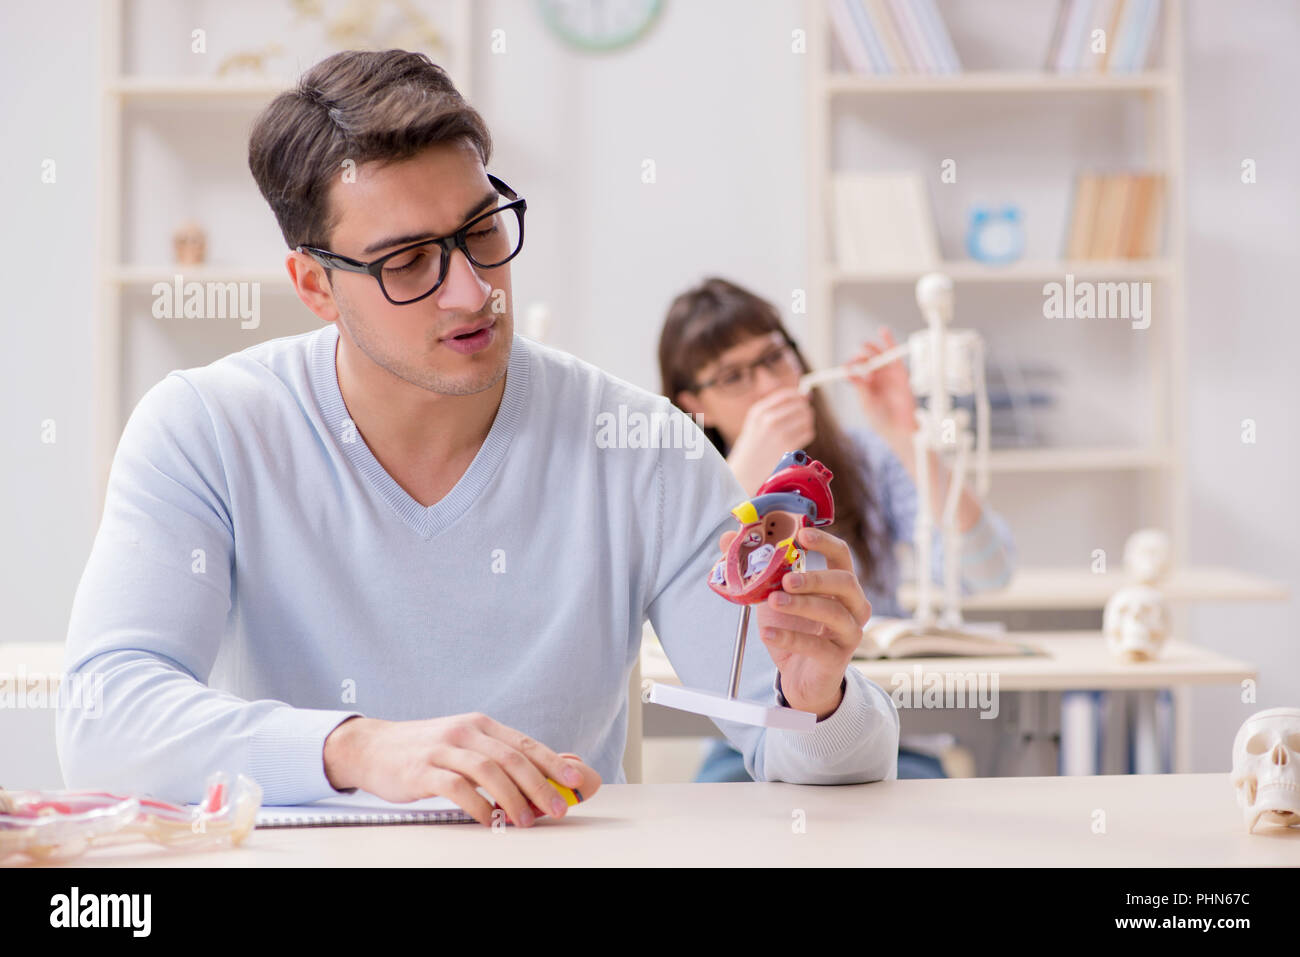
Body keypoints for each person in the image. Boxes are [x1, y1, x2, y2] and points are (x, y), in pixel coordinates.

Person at [56, 51, 902, 828]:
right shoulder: (207, 429)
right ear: (315, 285)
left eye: (483, 230)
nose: (471, 291)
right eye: (409, 261)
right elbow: (104, 717)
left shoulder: (640, 446)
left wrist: (819, 701)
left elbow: (813, 762)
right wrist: (362, 748)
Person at [660, 277, 1016, 781]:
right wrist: (740, 479)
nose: (768, 385)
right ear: (696, 403)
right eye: (733, 376)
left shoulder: (867, 459)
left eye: (772, 358)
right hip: (749, 744)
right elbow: (684, 605)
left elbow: (989, 571)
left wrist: (905, 433)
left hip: (890, 742)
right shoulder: (693, 485)